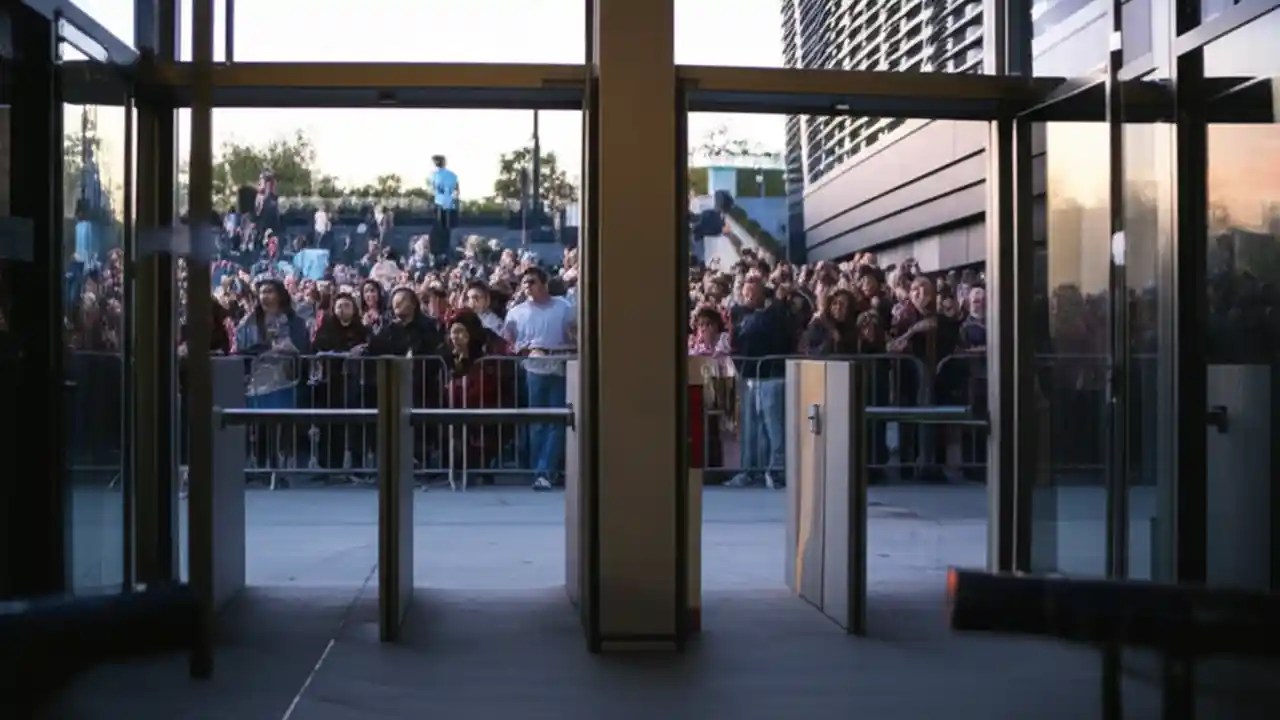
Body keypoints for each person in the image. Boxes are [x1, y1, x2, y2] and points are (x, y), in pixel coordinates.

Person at [502, 266, 576, 491]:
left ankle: (545, 471)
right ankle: (537, 470)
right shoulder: (516, 312)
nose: (527, 286)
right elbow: (508, 340)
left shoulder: (564, 307)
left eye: (532, 282)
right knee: (537, 421)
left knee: (556, 421)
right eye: (525, 282)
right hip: (532, 368)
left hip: (558, 366)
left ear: (544, 284)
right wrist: (521, 350)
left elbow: (575, 335)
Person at [429, 154, 459, 263]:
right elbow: (456, 192)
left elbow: (433, 190)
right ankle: (442, 253)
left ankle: (443, 253)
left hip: (443, 206)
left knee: (443, 231)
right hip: (446, 205)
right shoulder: (450, 175)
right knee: (444, 231)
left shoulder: (436, 175)